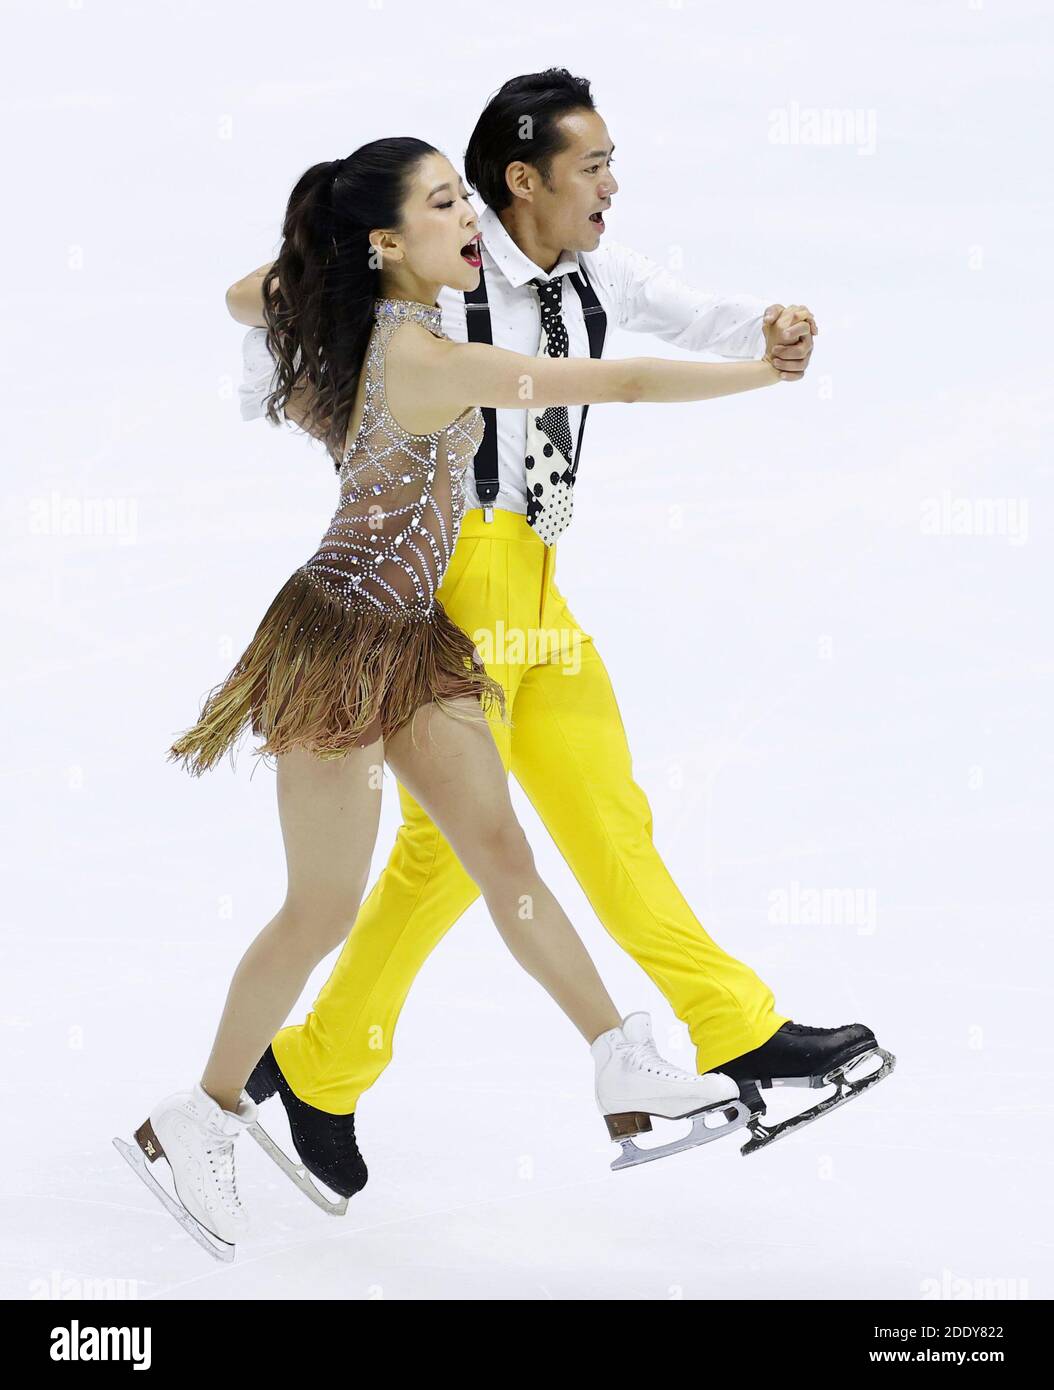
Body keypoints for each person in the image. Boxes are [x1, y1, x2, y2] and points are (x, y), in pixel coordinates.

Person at [115, 131, 804, 1263]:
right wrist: (758, 371)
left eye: (464, 200)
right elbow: (618, 380)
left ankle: (617, 1061)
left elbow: (249, 294)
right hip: (338, 647)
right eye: (445, 205)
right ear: (389, 239)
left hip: (418, 643)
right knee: (321, 910)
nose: (471, 219)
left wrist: (316, 269)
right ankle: (199, 1115)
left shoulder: (355, 321)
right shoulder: (420, 355)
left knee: (502, 856)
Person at [226, 71, 894, 1204]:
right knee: (456, 854)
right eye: (593, 165)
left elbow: (679, 315)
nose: (611, 187)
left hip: (534, 586)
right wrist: (328, 299)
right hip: (445, 590)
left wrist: (767, 327)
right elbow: (259, 294)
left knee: (598, 805)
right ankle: (323, 1064)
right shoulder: (441, 258)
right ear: (522, 180)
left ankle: (721, 1027)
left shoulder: (589, 269)